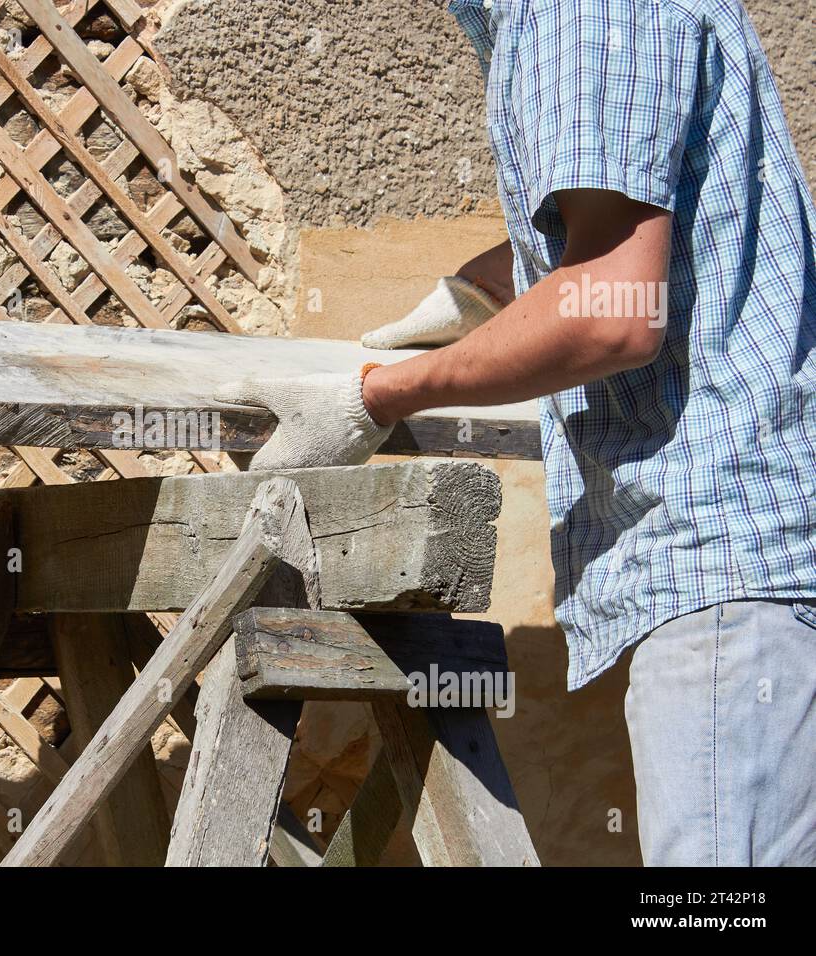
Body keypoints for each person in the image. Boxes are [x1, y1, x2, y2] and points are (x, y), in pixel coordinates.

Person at [216, 0, 816, 865]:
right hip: (757, 550)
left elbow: (616, 309)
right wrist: (484, 291)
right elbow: (652, 220)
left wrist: (377, 400)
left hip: (729, 562)